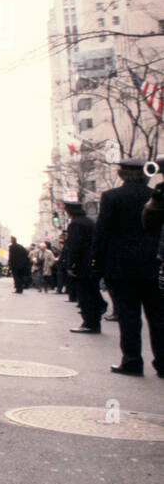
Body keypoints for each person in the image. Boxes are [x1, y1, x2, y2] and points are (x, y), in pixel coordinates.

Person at [93, 158, 164, 376]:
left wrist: (97, 261)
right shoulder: (155, 194)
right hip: (153, 264)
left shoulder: (111, 197)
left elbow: (102, 232)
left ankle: (132, 362)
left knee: (128, 315)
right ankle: (163, 363)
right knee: (158, 317)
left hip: (120, 266)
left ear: (122, 173)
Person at [64, 199, 101, 334]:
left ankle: (89, 323)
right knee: (93, 292)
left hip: (82, 265)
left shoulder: (75, 224)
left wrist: (71, 264)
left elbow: (74, 247)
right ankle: (94, 321)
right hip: (92, 263)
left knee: (85, 295)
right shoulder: (89, 222)